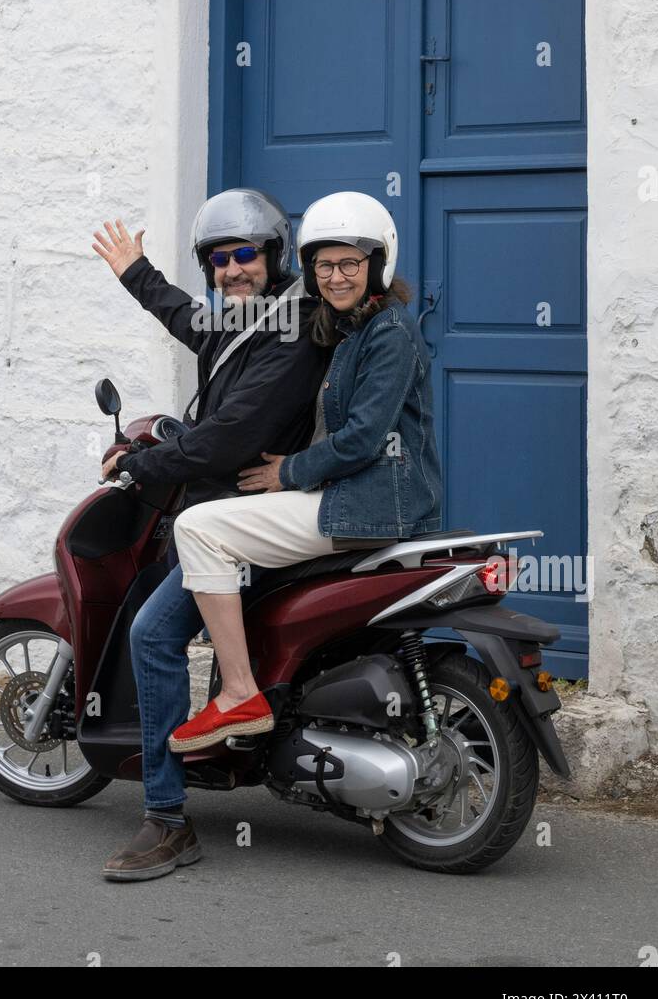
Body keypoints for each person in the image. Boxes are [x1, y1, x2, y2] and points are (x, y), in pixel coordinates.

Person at [91, 189, 329, 881]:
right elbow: (194, 324)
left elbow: (225, 444)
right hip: (224, 509)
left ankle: (167, 820)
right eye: (219, 259)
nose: (231, 270)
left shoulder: (291, 330)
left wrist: (141, 465)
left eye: (244, 254)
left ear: (275, 255)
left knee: (153, 635)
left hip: (241, 523)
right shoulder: (257, 320)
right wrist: (136, 273)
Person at [167, 191, 443, 756]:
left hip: (366, 505)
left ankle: (240, 691)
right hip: (354, 499)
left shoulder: (388, 333)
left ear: (377, 265)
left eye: (348, 264)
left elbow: (364, 437)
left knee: (197, 528)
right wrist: (140, 278)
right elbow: (222, 330)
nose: (335, 277)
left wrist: (288, 471)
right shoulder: (348, 329)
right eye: (323, 265)